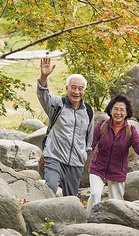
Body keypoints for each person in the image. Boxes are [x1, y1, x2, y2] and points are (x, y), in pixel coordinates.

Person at [37, 57, 94, 196]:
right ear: (67, 88)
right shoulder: (57, 104)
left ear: (84, 91)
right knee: (50, 188)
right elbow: (43, 95)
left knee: (71, 198)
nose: (76, 92)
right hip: (55, 157)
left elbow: (89, 139)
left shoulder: (88, 110)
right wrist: (44, 76)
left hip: (76, 162)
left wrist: (83, 155)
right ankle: (44, 216)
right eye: (73, 87)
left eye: (80, 88)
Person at [87, 95, 139, 212]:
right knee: (95, 194)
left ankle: (116, 225)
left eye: (122, 110)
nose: (118, 112)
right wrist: (80, 159)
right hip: (97, 167)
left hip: (117, 171)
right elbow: (90, 145)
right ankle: (90, 219)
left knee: (117, 203)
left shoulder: (130, 130)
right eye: (115, 109)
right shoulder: (102, 125)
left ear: (126, 113)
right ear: (110, 110)